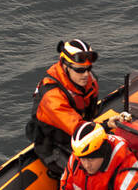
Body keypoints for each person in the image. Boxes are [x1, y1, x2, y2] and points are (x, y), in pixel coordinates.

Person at [25, 39, 99, 178]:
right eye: (80, 70)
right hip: (55, 147)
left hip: (77, 136)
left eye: (88, 69)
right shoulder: (52, 96)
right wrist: (105, 127)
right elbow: (78, 128)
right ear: (65, 67)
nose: (85, 75)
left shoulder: (88, 82)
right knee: (89, 175)